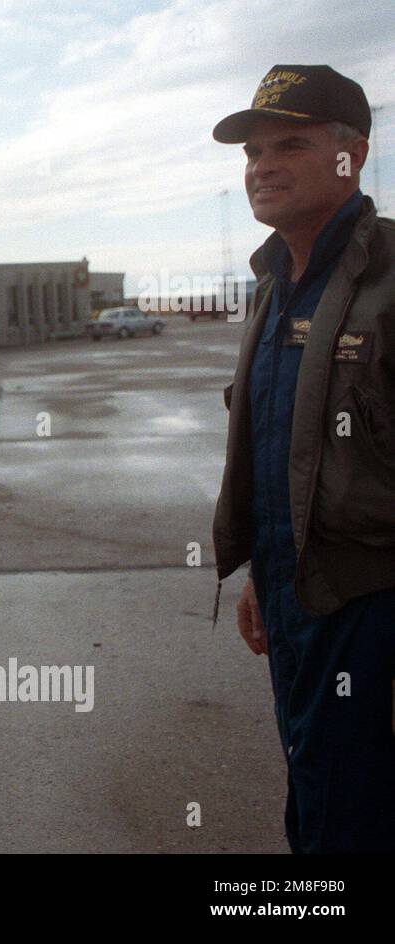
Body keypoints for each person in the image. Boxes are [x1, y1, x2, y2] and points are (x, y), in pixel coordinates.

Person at [212, 65, 395, 852]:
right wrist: (260, 569)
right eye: (253, 152)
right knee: (314, 789)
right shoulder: (270, 286)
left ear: (352, 154)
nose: (263, 166)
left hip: (373, 605)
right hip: (295, 598)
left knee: (359, 815)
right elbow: (279, 448)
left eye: (290, 143)